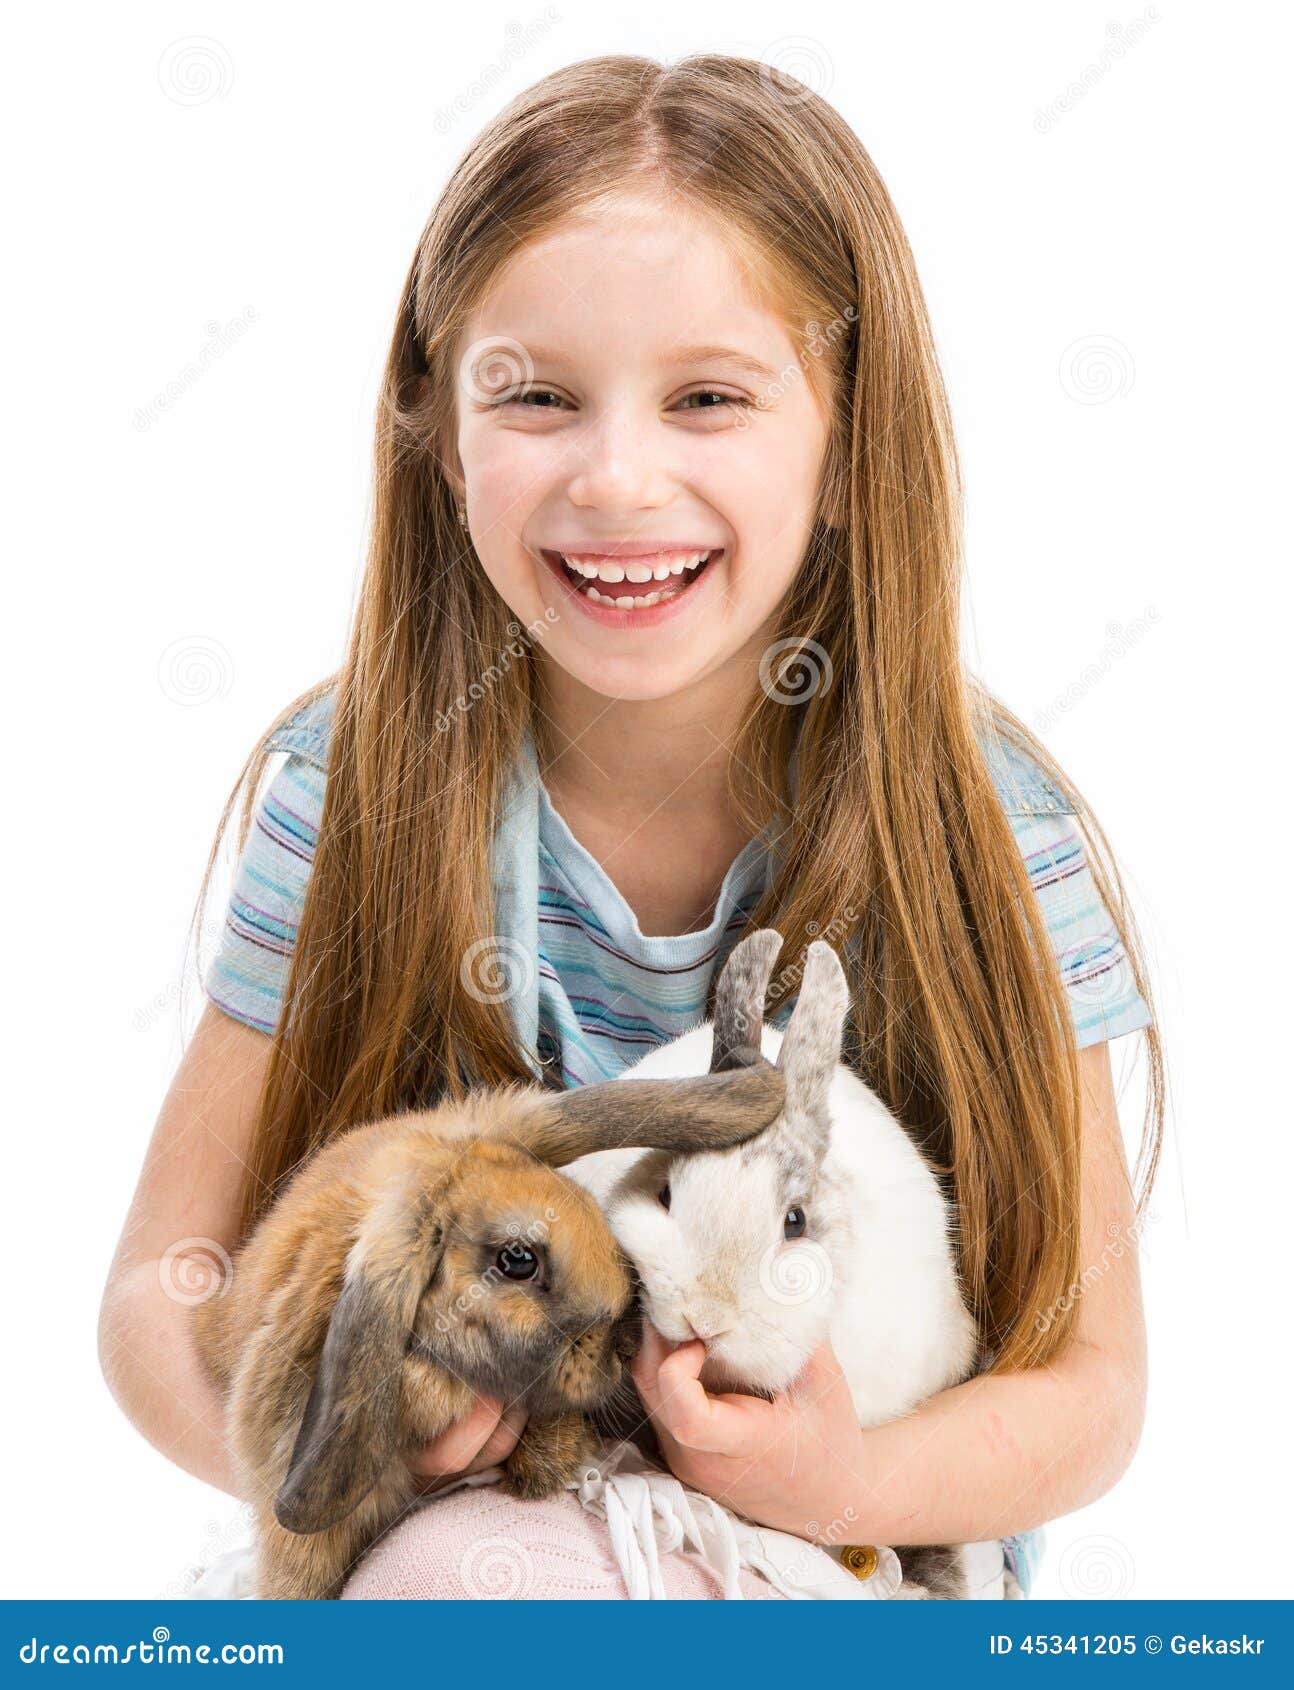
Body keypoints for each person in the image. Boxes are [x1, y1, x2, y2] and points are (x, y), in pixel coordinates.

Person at [98, 52, 1163, 1601]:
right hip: (448, 1543)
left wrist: (845, 1475)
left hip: (844, 1548)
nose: (615, 476)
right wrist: (336, 1454)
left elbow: (1093, 1385)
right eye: (534, 395)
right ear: (435, 427)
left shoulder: (993, 828)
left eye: (708, 397)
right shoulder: (353, 790)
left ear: (849, 437)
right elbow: (157, 1285)